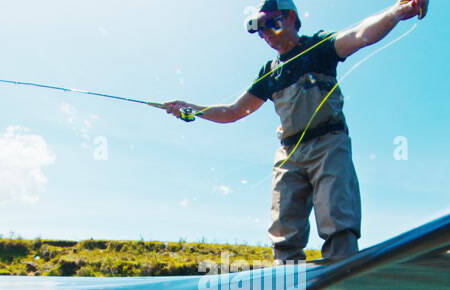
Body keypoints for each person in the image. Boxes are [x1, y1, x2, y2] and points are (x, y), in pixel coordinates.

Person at [164, 0, 429, 263]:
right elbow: (234, 111)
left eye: (272, 23)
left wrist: (397, 11)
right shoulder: (269, 72)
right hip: (288, 154)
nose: (266, 33)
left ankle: (344, 288)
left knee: (339, 225)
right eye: (260, 29)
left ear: (291, 18)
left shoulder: (320, 47)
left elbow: (360, 34)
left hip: (329, 144)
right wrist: (193, 109)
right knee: (284, 234)